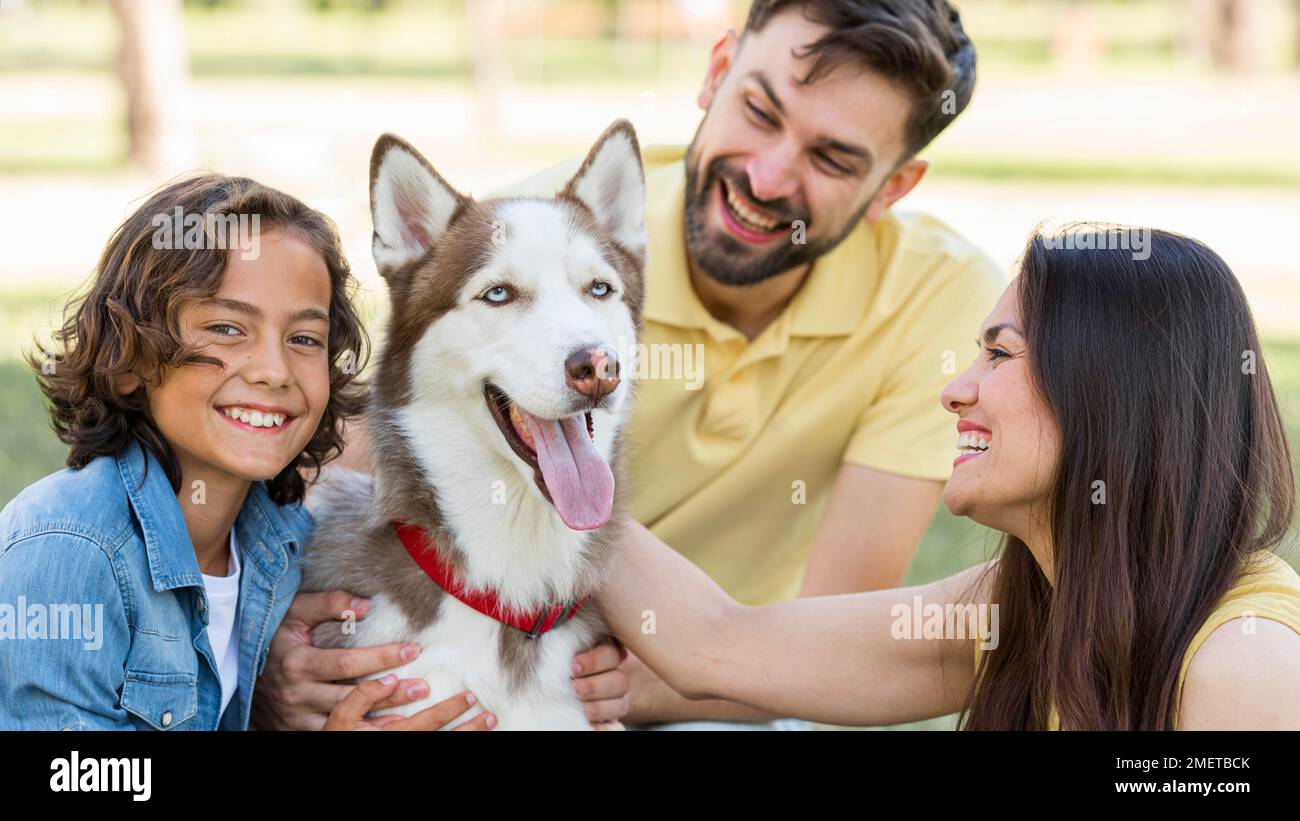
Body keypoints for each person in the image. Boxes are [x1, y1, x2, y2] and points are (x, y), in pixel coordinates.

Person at [256, 0, 1006, 731]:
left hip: (732, 684)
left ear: (892, 189)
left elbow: (827, 647)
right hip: (494, 627)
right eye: (760, 110)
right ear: (716, 74)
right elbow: (362, 447)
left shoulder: (937, 296)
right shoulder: (540, 230)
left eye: (833, 157)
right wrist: (272, 647)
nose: (769, 178)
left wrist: (661, 677)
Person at [595, 227, 1300, 730]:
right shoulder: (1028, 606)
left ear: (1109, 391)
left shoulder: (1243, 663)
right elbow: (718, 645)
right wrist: (541, 459)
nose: (956, 390)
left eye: (1000, 354)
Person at [0, 174, 501, 729]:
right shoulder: (67, 552)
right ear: (130, 362)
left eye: (304, 339)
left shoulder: (285, 540)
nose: (273, 370)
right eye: (226, 328)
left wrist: (608, 679)